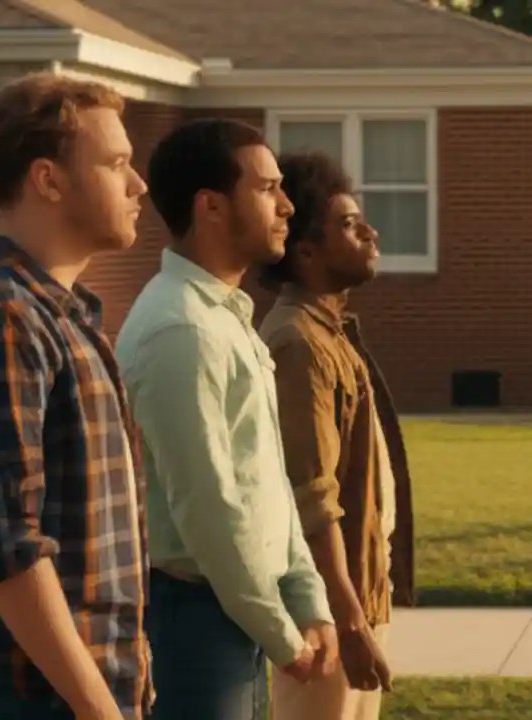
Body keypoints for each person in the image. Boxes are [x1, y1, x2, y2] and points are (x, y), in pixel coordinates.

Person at [0, 72, 150, 720]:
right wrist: (99, 709)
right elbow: (10, 549)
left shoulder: (64, 318)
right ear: (48, 180)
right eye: (118, 164)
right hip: (24, 702)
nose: (139, 185)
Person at [114, 119, 338, 720]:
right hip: (195, 622)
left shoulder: (224, 318)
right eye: (267, 189)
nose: (287, 205)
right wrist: (280, 632)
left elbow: (266, 481)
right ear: (211, 206)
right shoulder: (180, 330)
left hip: (236, 613)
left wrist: (307, 599)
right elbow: (208, 507)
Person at [259, 151, 417, 720]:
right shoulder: (298, 345)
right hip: (320, 619)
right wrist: (347, 622)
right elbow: (311, 497)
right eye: (350, 226)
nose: (370, 233)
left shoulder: (329, 334)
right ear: (305, 251)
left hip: (350, 606)